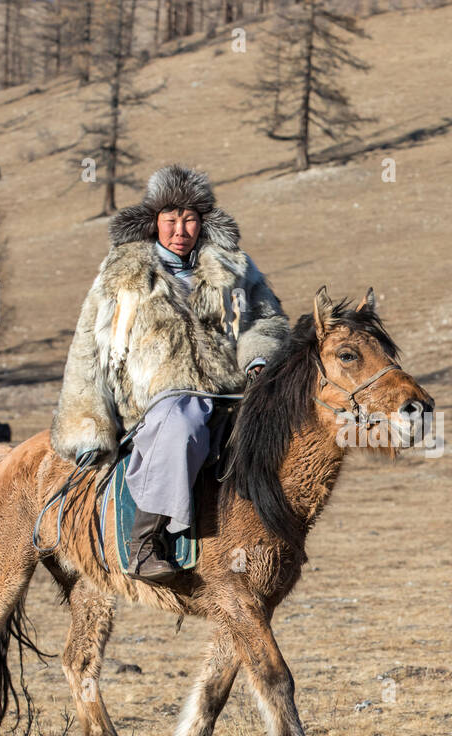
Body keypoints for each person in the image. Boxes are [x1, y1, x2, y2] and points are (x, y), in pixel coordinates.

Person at [50, 164, 290, 582]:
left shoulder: (234, 268)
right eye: (170, 219)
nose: (181, 229)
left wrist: (257, 360)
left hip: (229, 393)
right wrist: (87, 428)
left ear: (203, 223)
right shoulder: (122, 275)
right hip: (155, 402)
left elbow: (265, 322)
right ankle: (147, 540)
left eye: (190, 218)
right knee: (183, 422)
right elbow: (88, 349)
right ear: (153, 222)